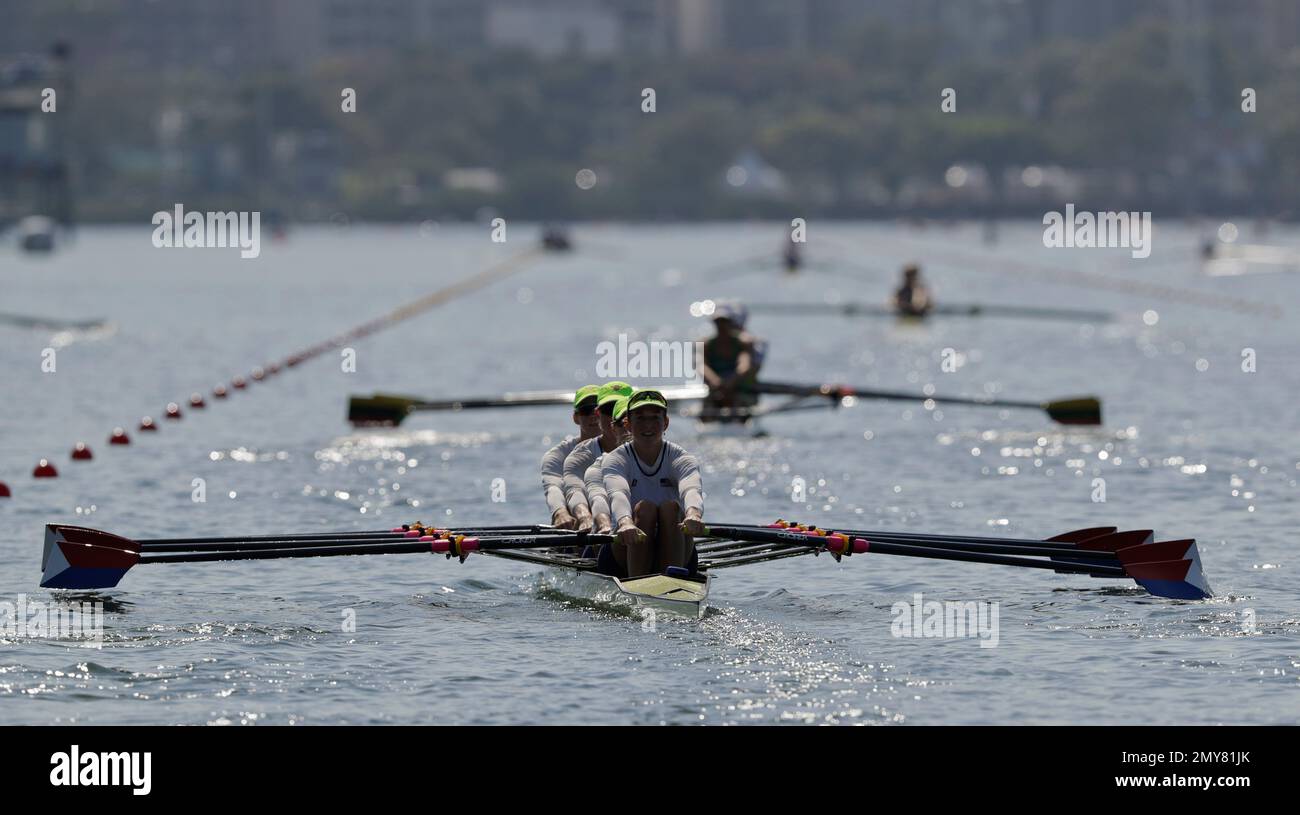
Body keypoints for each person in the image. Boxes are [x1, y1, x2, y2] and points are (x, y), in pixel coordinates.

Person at [601, 389, 705, 578]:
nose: (648, 425)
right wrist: (625, 523)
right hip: (625, 549)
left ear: (665, 422)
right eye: (640, 418)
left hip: (676, 544)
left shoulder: (681, 458)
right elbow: (618, 494)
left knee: (671, 508)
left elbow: (691, 489)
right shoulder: (616, 460)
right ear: (628, 424)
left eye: (655, 418)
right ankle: (639, 582)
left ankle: (671, 581)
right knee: (645, 509)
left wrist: (693, 514)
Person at [562, 381, 633, 532]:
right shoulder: (580, 457)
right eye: (610, 409)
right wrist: (584, 517)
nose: (615, 417)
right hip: (602, 530)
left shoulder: (664, 453)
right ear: (598, 414)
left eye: (623, 413)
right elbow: (576, 491)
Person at [540, 385, 600, 529]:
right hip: (577, 519)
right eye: (586, 411)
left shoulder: (624, 450)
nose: (593, 416)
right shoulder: (557, 455)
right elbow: (554, 488)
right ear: (576, 417)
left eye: (598, 411)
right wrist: (560, 512)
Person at [699, 301, 764, 421]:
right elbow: (702, 367)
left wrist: (731, 382)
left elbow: (744, 365)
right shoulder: (706, 344)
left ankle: (741, 417)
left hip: (739, 389)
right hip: (716, 390)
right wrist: (716, 381)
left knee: (737, 398)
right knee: (713, 398)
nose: (721, 326)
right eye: (718, 322)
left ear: (731, 323)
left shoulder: (743, 343)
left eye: (724, 322)